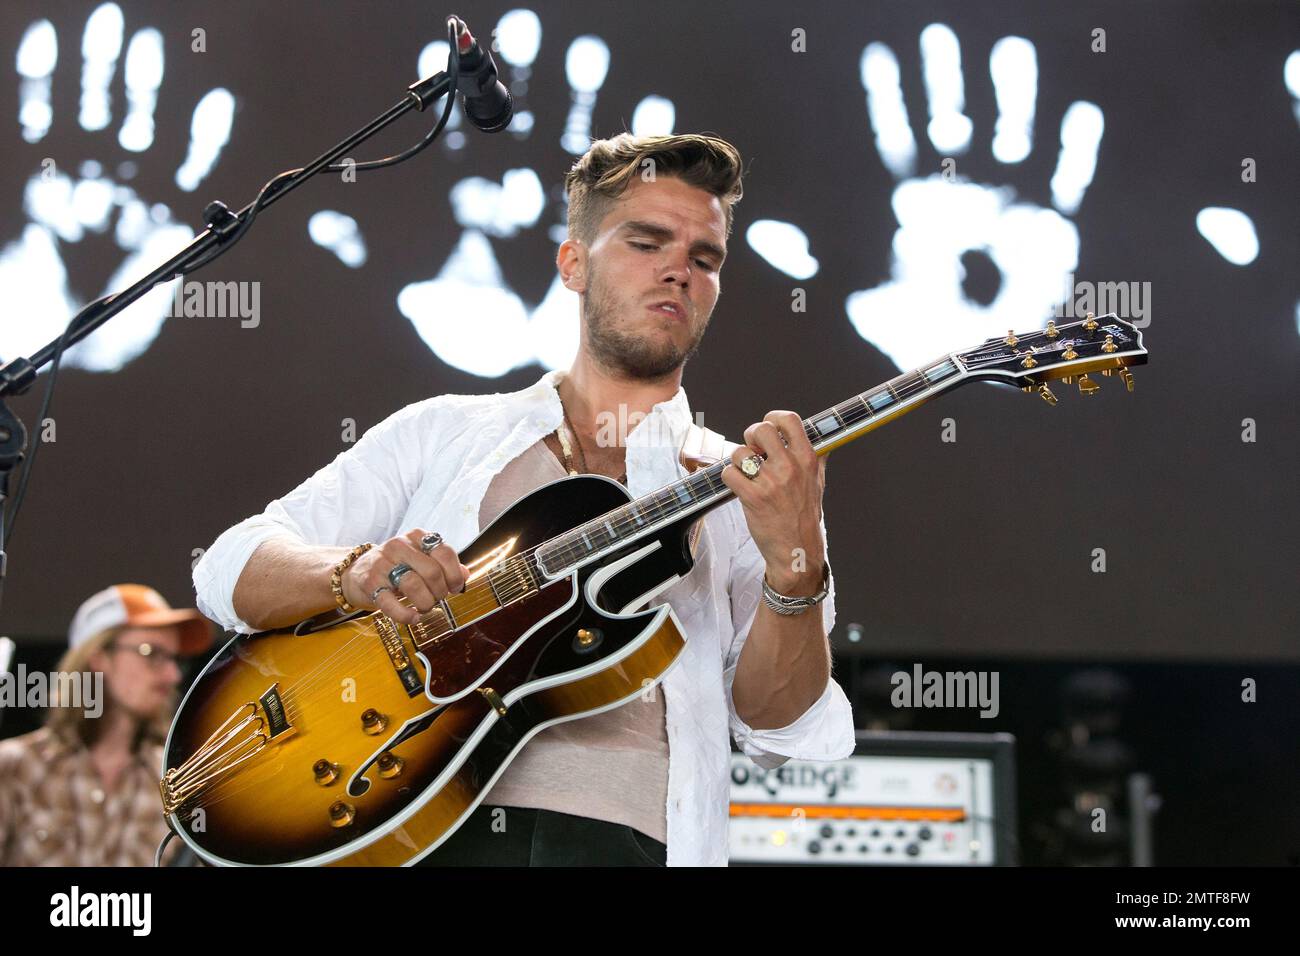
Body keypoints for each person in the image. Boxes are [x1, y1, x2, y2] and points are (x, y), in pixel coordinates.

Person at [193, 132, 855, 867]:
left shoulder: (749, 487)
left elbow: (783, 732)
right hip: (415, 823)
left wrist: (797, 572)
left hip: (625, 842)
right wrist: (351, 573)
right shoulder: (442, 431)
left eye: (704, 259)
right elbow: (228, 568)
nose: (679, 271)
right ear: (572, 263)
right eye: (647, 242)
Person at [0, 584, 213, 866]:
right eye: (151, 653)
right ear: (98, 658)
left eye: (175, 659)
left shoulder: (180, 784)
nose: (172, 674)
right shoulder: (15, 766)